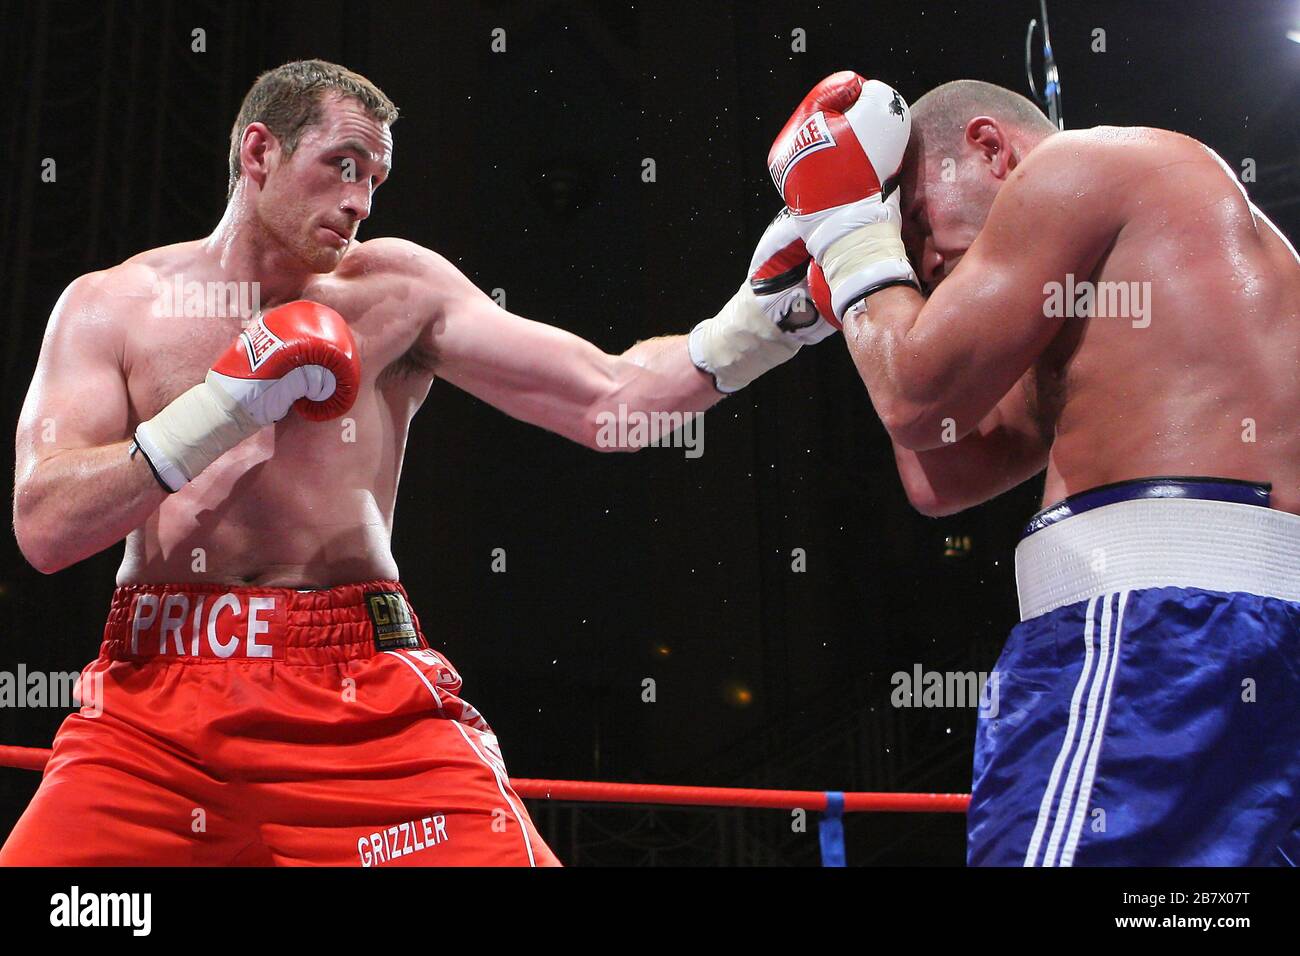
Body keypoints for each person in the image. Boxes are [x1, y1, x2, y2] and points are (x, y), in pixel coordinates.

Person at [2, 59, 831, 866]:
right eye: (341, 166)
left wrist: (764, 325)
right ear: (260, 153)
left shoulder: (399, 293)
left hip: (359, 699)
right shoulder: (111, 306)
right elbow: (44, 525)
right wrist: (218, 411)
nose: (359, 200)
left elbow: (607, 400)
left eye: (375, 179)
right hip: (154, 704)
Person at [769, 71, 1300, 865]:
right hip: (1246, 641)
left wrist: (850, 233)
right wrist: (864, 296)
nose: (920, 261)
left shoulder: (1076, 165)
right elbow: (941, 473)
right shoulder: (1129, 301)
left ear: (990, 150)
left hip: (1155, 633)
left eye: (915, 222)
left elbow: (915, 393)